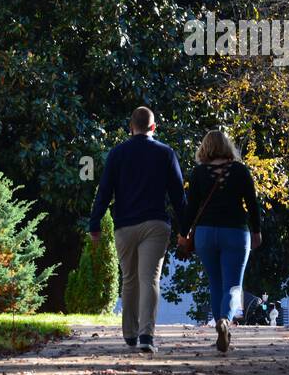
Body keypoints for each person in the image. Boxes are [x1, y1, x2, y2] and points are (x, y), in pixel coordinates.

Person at [89, 106, 186, 355]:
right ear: (153, 127)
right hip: (155, 224)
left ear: (131, 127)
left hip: (125, 225)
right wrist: (185, 229)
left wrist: (95, 223)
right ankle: (146, 335)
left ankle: (130, 334)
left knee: (129, 279)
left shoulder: (117, 154)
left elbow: (104, 191)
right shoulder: (166, 153)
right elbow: (178, 196)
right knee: (150, 279)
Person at [178, 129, 262, 354]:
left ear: (205, 147)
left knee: (215, 283)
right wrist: (256, 231)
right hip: (235, 231)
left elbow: (191, 208)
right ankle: (225, 320)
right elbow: (252, 204)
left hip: (205, 233)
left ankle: (220, 328)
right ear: (227, 146)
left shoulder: (198, 173)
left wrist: (182, 233)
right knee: (233, 285)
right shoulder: (240, 171)